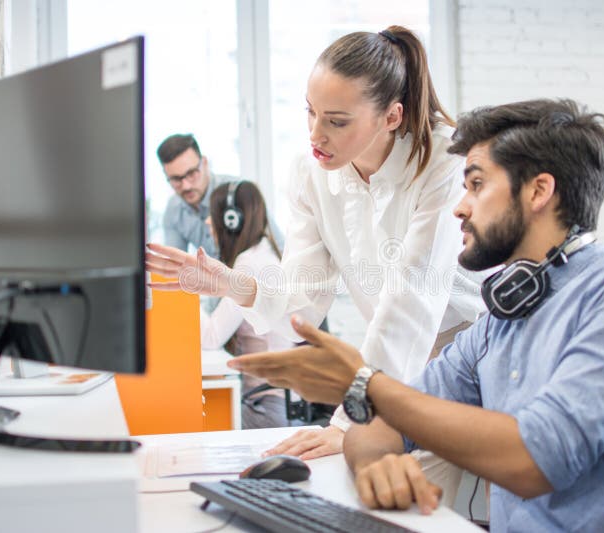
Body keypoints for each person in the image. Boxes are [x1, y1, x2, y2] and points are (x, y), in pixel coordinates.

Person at [226, 99, 604, 531]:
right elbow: (379, 425)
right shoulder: (501, 319)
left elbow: (537, 459)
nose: (459, 208)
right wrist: (376, 464)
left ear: (538, 191)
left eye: (477, 185)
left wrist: (362, 383)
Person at [146, 26, 487, 461]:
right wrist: (232, 284)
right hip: (393, 361)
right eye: (311, 112)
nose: (315, 135)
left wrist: (349, 423)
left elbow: (412, 304)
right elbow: (303, 298)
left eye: (336, 121)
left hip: (468, 353)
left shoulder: (442, 161)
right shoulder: (312, 174)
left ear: (392, 116)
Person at [199, 180, 297, 429]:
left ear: (232, 221)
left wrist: (189, 293)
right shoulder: (265, 253)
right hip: (275, 401)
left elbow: (211, 336)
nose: (209, 223)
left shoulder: (249, 264)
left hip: (265, 407)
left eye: (213, 216)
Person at [156, 134, 284, 257]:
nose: (186, 186)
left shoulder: (237, 193)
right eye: (176, 179)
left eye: (191, 173)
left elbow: (279, 248)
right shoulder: (173, 210)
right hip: (214, 278)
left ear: (204, 163)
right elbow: (175, 265)